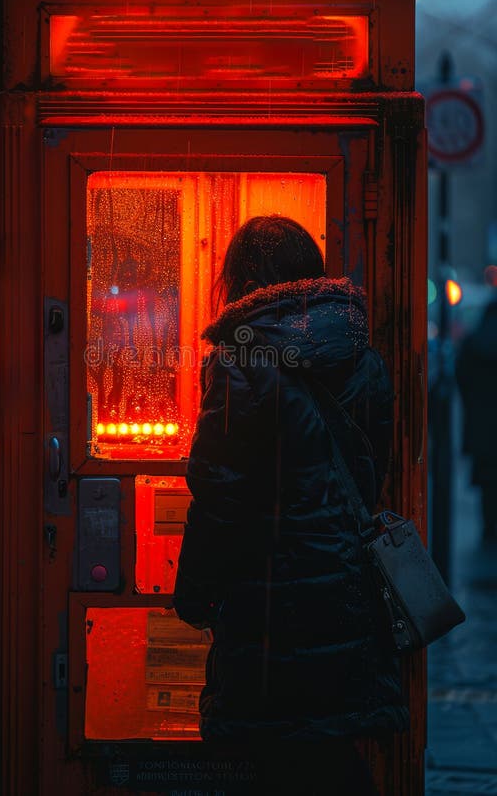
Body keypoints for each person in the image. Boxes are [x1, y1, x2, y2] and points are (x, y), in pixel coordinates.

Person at [172, 216, 408, 796]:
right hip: (345, 596)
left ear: (241, 281)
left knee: (262, 756)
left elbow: (219, 496)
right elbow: (372, 473)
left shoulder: (240, 363)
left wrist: (195, 594)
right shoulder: (364, 360)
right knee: (327, 752)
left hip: (268, 602)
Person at [455, 298, 497, 541]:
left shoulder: (473, 343)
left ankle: (489, 526)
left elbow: (462, 379)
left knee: (488, 482)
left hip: (482, 425)